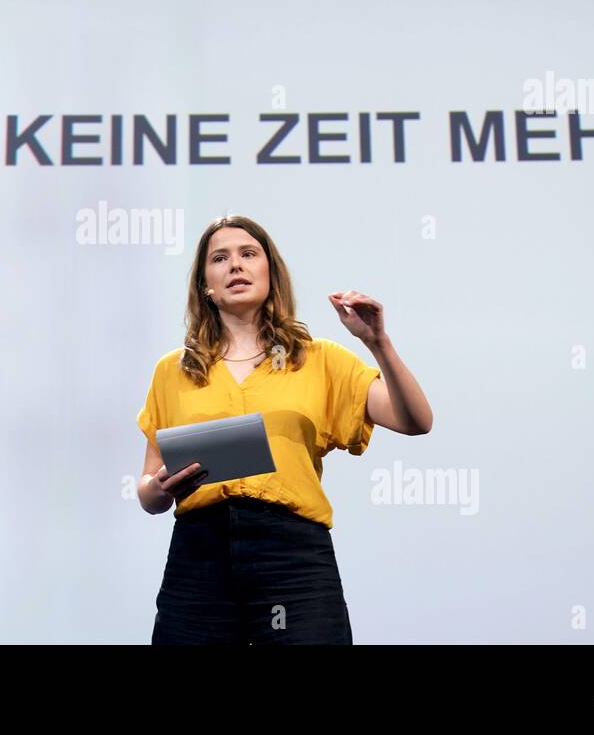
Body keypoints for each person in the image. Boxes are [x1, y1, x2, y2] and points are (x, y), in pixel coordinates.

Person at [136, 214, 434, 644]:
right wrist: (158, 488)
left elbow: (415, 421)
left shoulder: (319, 359)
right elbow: (148, 488)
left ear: (270, 274)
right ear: (206, 285)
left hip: (291, 556)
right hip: (199, 555)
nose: (235, 265)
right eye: (220, 258)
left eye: (248, 254)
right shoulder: (174, 369)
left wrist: (378, 343)